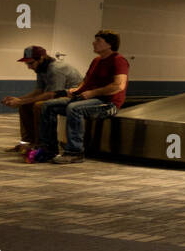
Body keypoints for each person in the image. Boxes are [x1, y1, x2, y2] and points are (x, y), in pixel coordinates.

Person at [28, 31, 130, 166]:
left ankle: (75, 152)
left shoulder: (119, 60)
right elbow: (85, 81)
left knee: (74, 108)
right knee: (48, 106)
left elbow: (119, 85)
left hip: (108, 104)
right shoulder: (97, 60)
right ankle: (49, 149)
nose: (94, 43)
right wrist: (77, 90)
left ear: (109, 44)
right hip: (89, 99)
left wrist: (92, 93)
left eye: (98, 40)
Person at [0, 46, 83, 153]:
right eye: (27, 64)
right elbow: (38, 91)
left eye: (30, 63)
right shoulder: (40, 69)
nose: (29, 67)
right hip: (57, 95)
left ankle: (41, 144)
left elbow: (52, 95)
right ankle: (28, 142)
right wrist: (17, 99)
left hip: (74, 97)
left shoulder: (55, 69)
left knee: (39, 106)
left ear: (42, 58)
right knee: (25, 106)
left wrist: (20, 101)